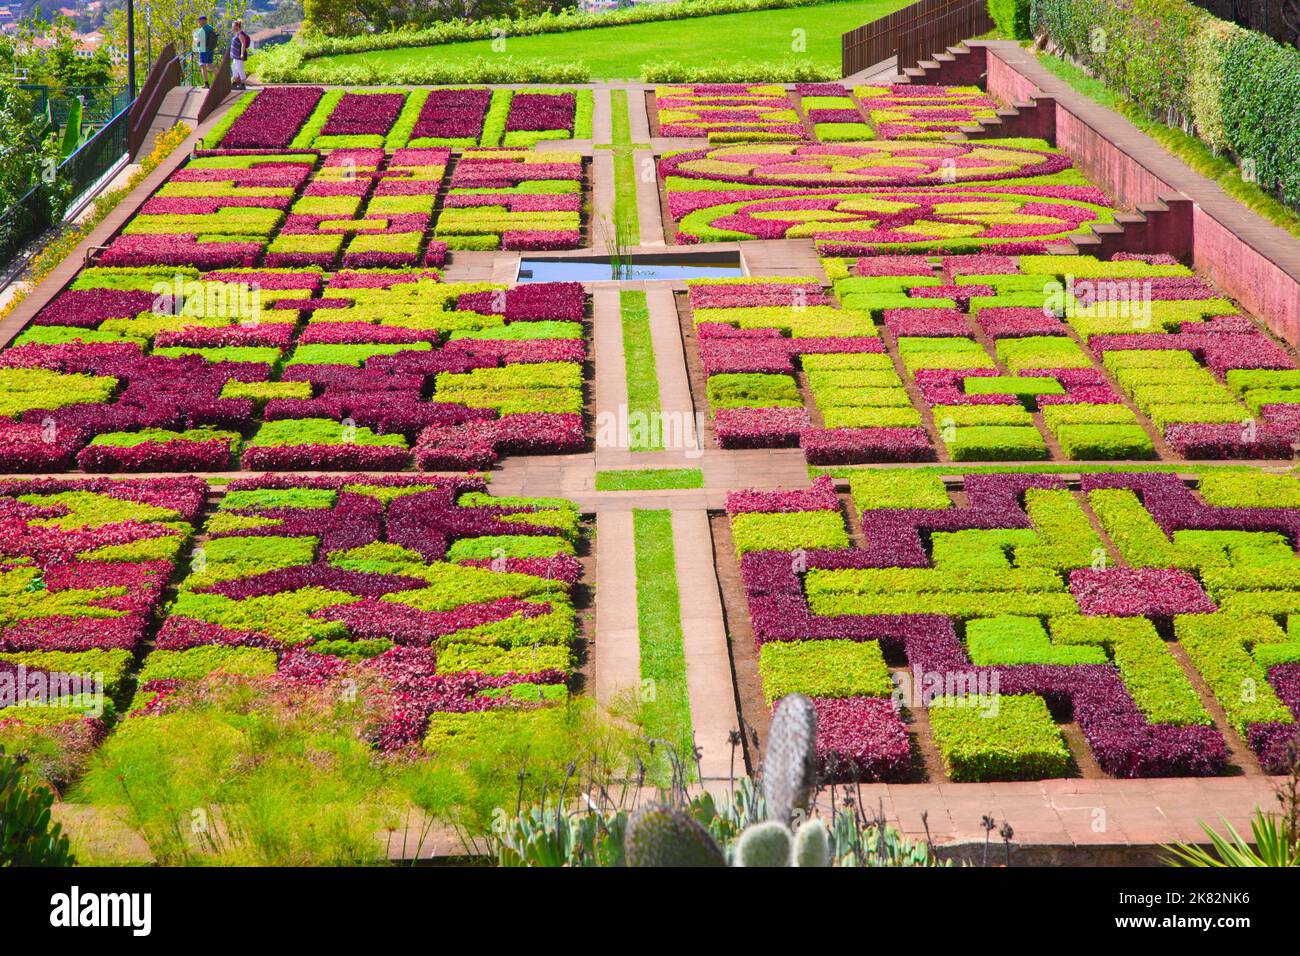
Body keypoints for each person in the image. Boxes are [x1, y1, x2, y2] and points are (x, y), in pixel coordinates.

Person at [192, 15, 218, 88]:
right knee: (210, 65)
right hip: (211, 49)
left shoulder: (202, 30)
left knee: (203, 66)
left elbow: (197, 41)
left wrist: (194, 38)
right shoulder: (211, 28)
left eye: (199, 20)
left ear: (203, 20)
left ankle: (206, 84)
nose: (198, 22)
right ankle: (219, 79)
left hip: (203, 50)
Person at [229, 19, 251, 90]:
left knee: (240, 69)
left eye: (233, 26)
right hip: (235, 56)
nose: (232, 28)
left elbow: (243, 44)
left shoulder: (240, 34)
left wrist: (242, 54)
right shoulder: (238, 33)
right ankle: (234, 83)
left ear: (236, 26)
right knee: (234, 68)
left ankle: (243, 84)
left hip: (239, 56)